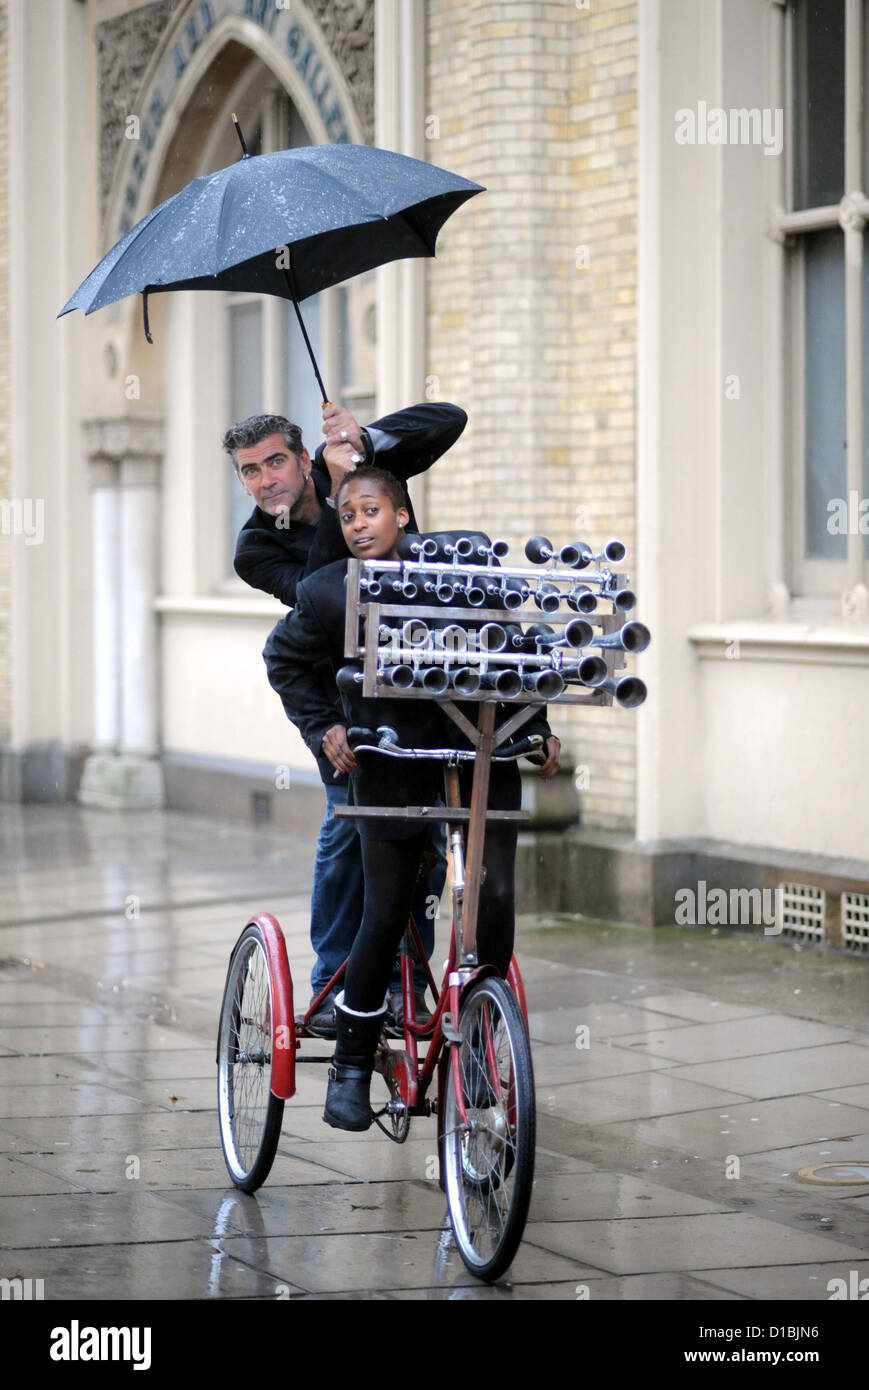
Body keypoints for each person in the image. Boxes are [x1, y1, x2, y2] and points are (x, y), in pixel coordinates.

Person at [262, 466, 561, 1131]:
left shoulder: (465, 577)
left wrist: (536, 729)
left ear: (402, 514)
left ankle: (481, 1044)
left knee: (493, 900)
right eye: (346, 516)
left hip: (479, 759)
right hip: (391, 764)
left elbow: (513, 657)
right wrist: (323, 726)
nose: (358, 524)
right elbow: (281, 659)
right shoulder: (327, 593)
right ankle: (350, 1064)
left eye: (371, 510)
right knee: (387, 906)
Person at [225, 402, 466, 1032]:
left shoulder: (364, 472)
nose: (266, 479)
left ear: (303, 459)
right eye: (249, 471)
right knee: (345, 829)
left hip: (413, 692)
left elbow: (449, 418)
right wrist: (337, 493)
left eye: (276, 460)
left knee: (430, 842)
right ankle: (335, 978)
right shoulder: (255, 549)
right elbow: (323, 590)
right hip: (337, 707)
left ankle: (405, 978)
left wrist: (365, 440)